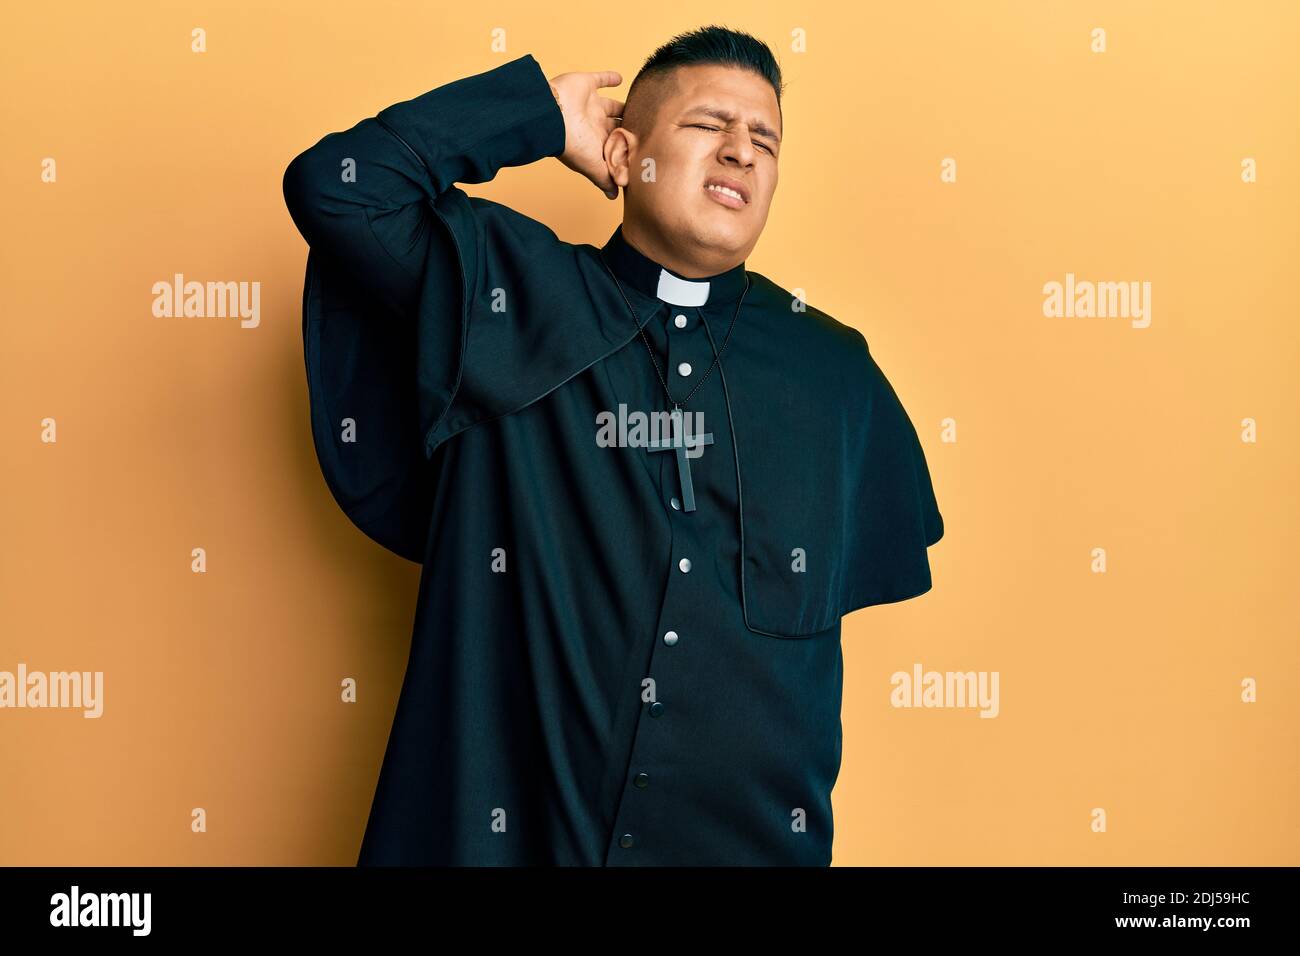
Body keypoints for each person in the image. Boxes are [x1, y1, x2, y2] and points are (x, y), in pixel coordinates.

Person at [282, 24, 944, 866]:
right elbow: (338, 188)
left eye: (765, 139)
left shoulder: (836, 371)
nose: (742, 151)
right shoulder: (503, 291)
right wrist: (533, 115)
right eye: (708, 125)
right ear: (624, 155)